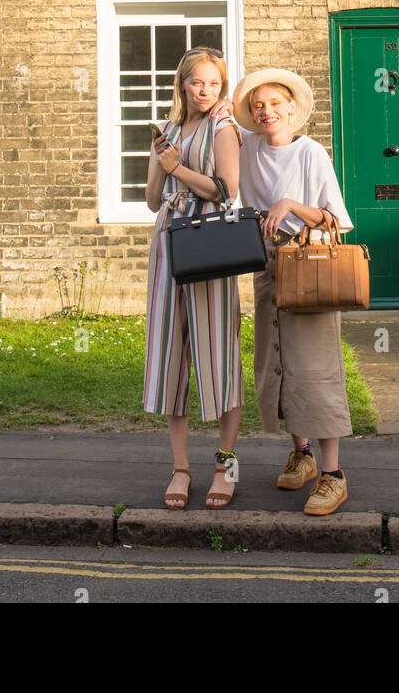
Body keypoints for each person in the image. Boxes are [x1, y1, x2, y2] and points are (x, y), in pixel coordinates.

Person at [231, 68, 354, 516]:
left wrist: (289, 206)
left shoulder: (310, 152)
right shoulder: (248, 151)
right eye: (257, 106)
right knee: (277, 359)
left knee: (316, 365)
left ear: (291, 109)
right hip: (266, 262)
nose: (266, 112)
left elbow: (335, 217)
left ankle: (333, 473)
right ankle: (301, 454)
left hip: (308, 263)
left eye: (274, 104)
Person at [143, 47, 243, 510]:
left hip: (210, 245)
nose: (206, 91)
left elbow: (225, 191)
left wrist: (176, 168)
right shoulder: (165, 131)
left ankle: (225, 466)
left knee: (218, 351)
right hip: (168, 243)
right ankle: (180, 467)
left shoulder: (223, 127)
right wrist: (161, 166)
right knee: (170, 354)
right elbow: (150, 199)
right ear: (182, 83)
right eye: (198, 83)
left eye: (215, 84)